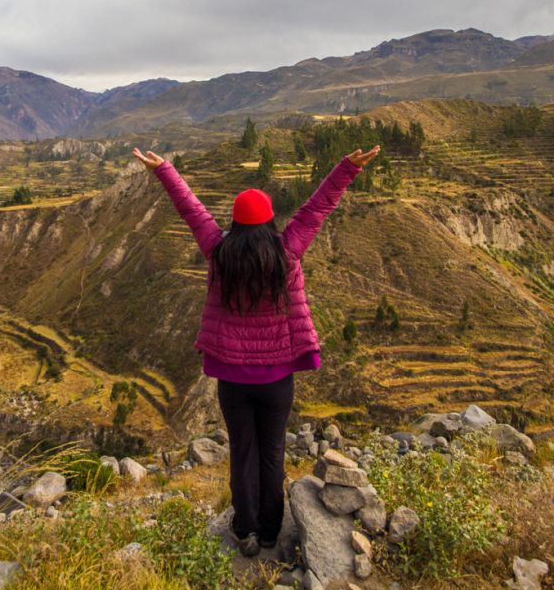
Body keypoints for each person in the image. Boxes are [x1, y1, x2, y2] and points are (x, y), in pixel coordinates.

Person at [133, 142, 379, 557]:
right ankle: (269, 531)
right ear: (269, 222)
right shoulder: (287, 252)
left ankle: (244, 527)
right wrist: (346, 168)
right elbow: (317, 209)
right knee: (273, 451)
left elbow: (191, 210)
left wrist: (165, 169)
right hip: (277, 378)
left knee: (241, 451)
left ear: (234, 222)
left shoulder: (219, 253)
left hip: (232, 378)